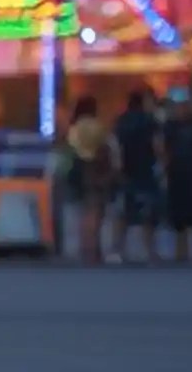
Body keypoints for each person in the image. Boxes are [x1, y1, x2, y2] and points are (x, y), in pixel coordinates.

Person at [111, 90, 164, 263]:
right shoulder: (150, 121)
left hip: (126, 172)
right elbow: (158, 146)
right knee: (148, 214)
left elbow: (115, 146)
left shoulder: (121, 121)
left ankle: (118, 250)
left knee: (124, 213)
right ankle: (150, 252)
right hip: (146, 170)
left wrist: (117, 168)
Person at [66, 95, 118, 265]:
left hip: (77, 173)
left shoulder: (73, 128)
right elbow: (108, 149)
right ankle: (94, 248)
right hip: (96, 173)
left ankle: (83, 248)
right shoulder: (98, 127)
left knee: (81, 214)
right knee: (96, 213)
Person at [162, 92, 192, 262]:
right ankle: (181, 254)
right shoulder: (170, 126)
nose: (182, 109)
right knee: (179, 219)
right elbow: (163, 149)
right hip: (177, 175)